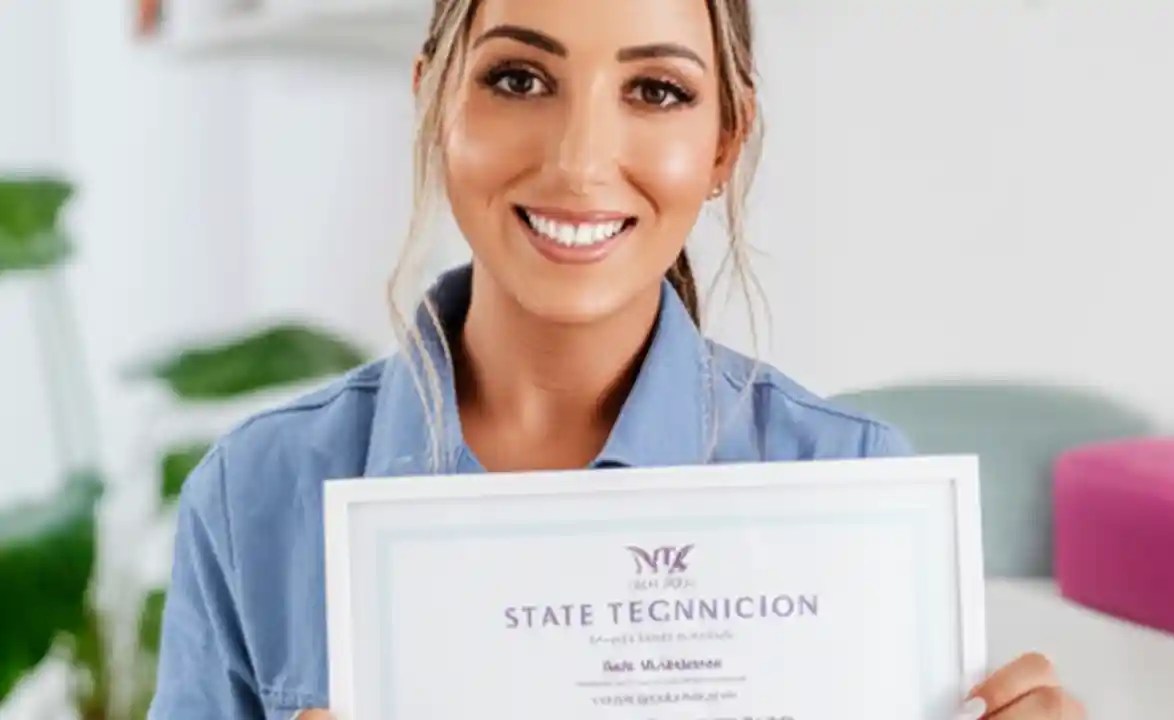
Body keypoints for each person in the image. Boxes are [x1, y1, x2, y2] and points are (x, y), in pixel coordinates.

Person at [148, 0, 1084, 718]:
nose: (580, 159)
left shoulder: (848, 482)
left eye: (656, 91)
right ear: (435, 100)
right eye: (518, 79)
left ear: (725, 141)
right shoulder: (256, 497)